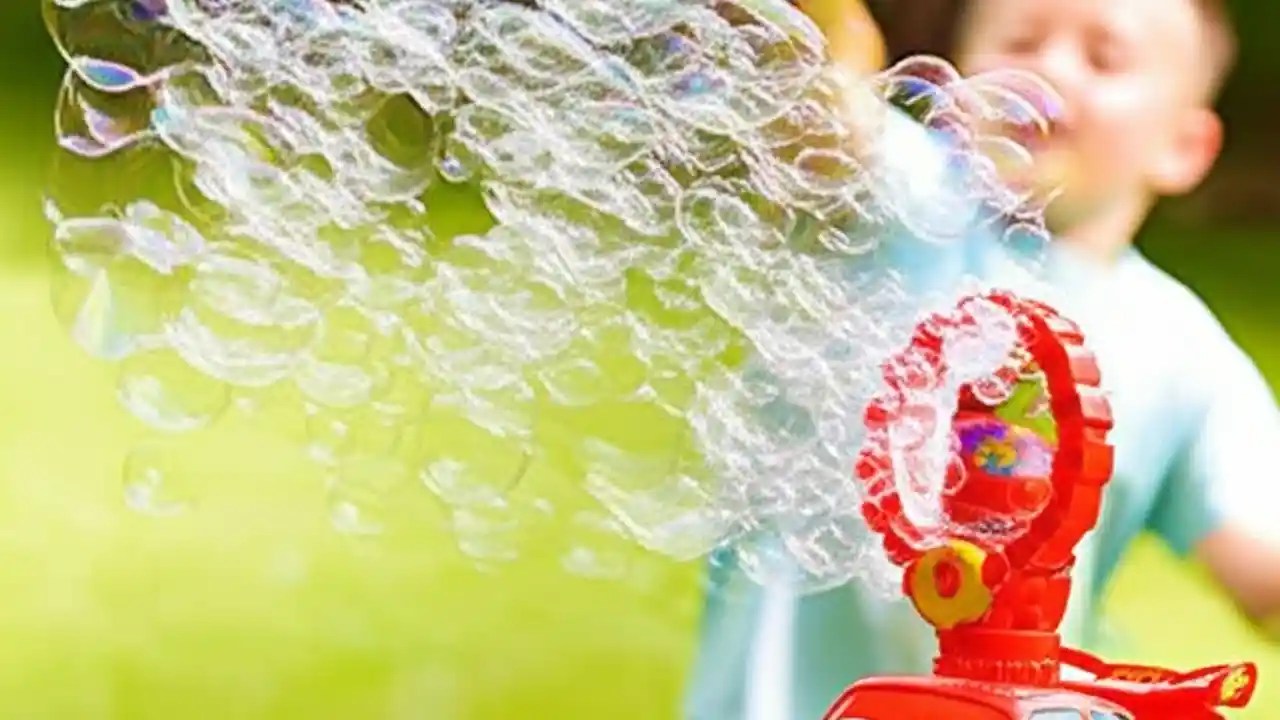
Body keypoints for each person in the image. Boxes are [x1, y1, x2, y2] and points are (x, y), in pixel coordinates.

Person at [683, 0, 1280, 718]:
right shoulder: (899, 195)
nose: (1051, 68)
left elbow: (1264, 561)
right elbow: (825, 106)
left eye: (1104, 59)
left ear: (1183, 147)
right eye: (1021, 42)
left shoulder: (1181, 349)